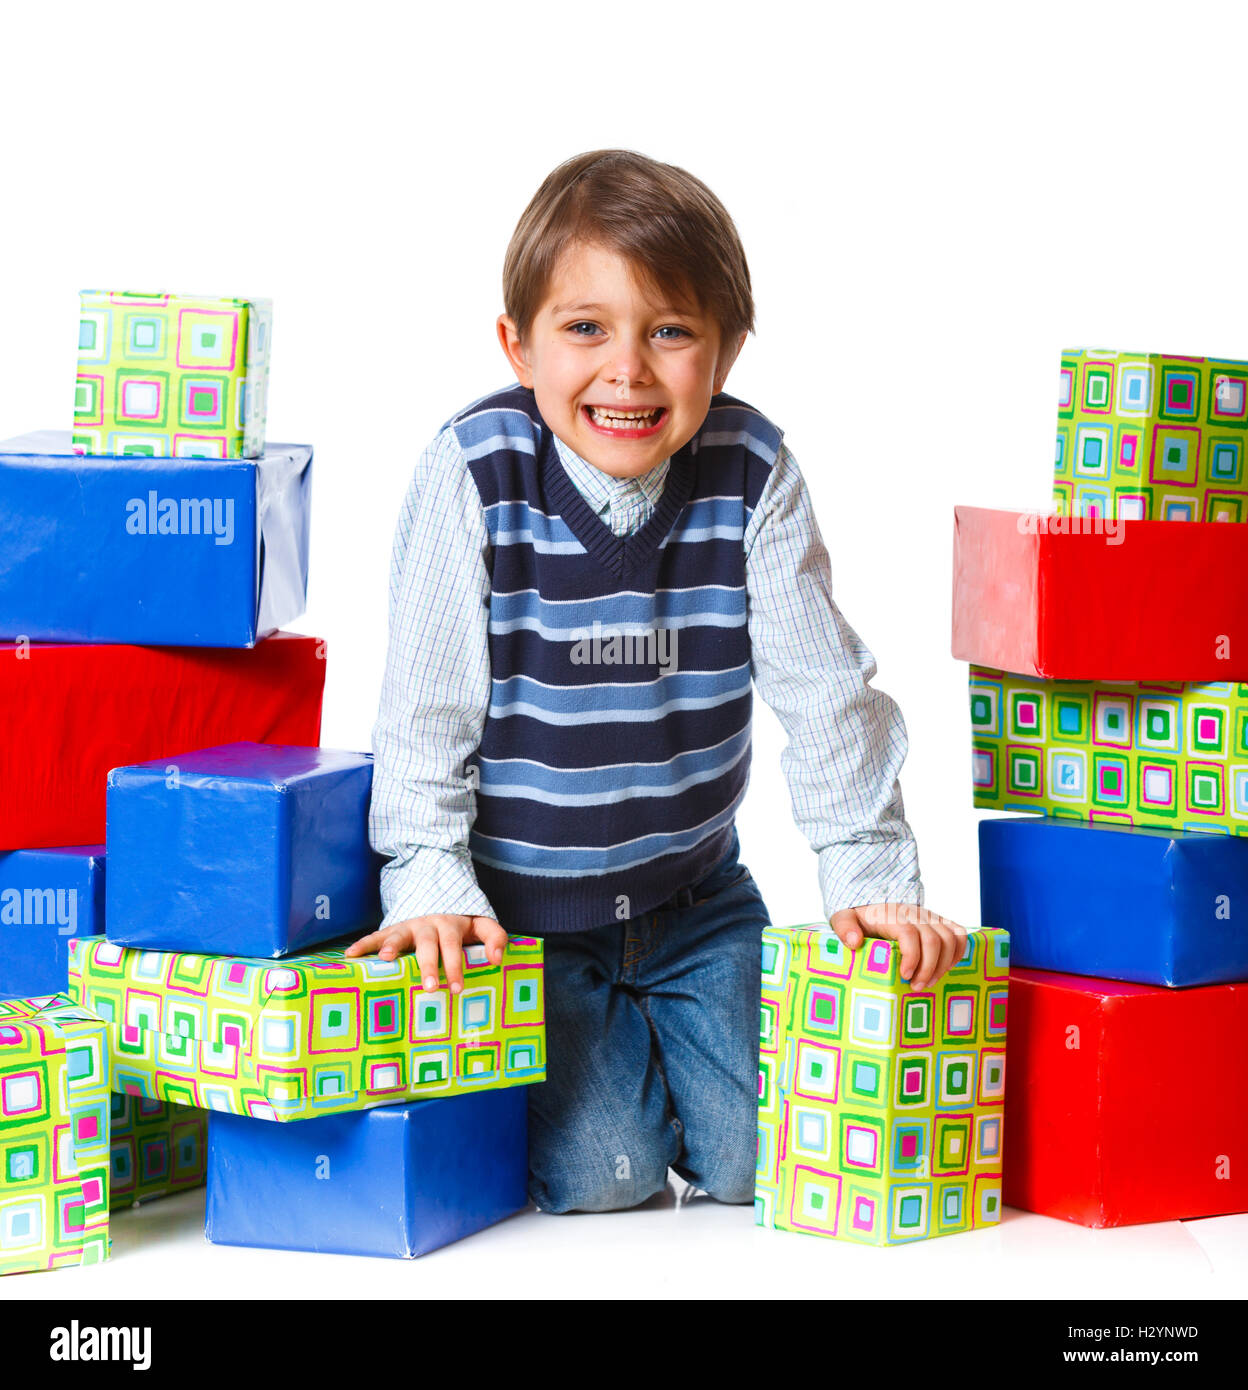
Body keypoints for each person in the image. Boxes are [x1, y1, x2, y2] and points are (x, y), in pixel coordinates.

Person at [347, 149, 967, 1214]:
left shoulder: (753, 473)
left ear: (720, 356)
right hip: (525, 916)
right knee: (609, 1176)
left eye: (670, 331)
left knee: (759, 1164)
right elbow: (424, 708)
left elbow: (825, 689)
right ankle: (612, 1061)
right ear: (519, 344)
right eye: (586, 328)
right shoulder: (476, 469)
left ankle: (672, 1040)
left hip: (694, 897)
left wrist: (868, 869)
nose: (627, 369)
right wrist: (430, 872)